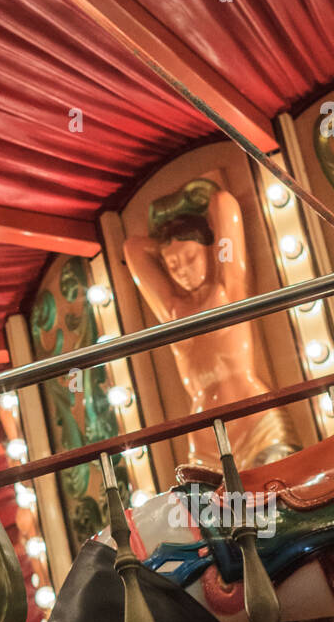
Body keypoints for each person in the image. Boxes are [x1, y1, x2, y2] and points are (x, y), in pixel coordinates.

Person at [123, 179, 297, 468]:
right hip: (205, 438)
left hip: (254, 420)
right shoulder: (172, 311)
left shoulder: (227, 288)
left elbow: (223, 204)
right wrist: (171, 238)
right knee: (205, 510)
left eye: (190, 257)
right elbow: (133, 249)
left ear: (209, 250)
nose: (183, 272)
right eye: (172, 266)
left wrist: (189, 214)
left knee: (278, 493)